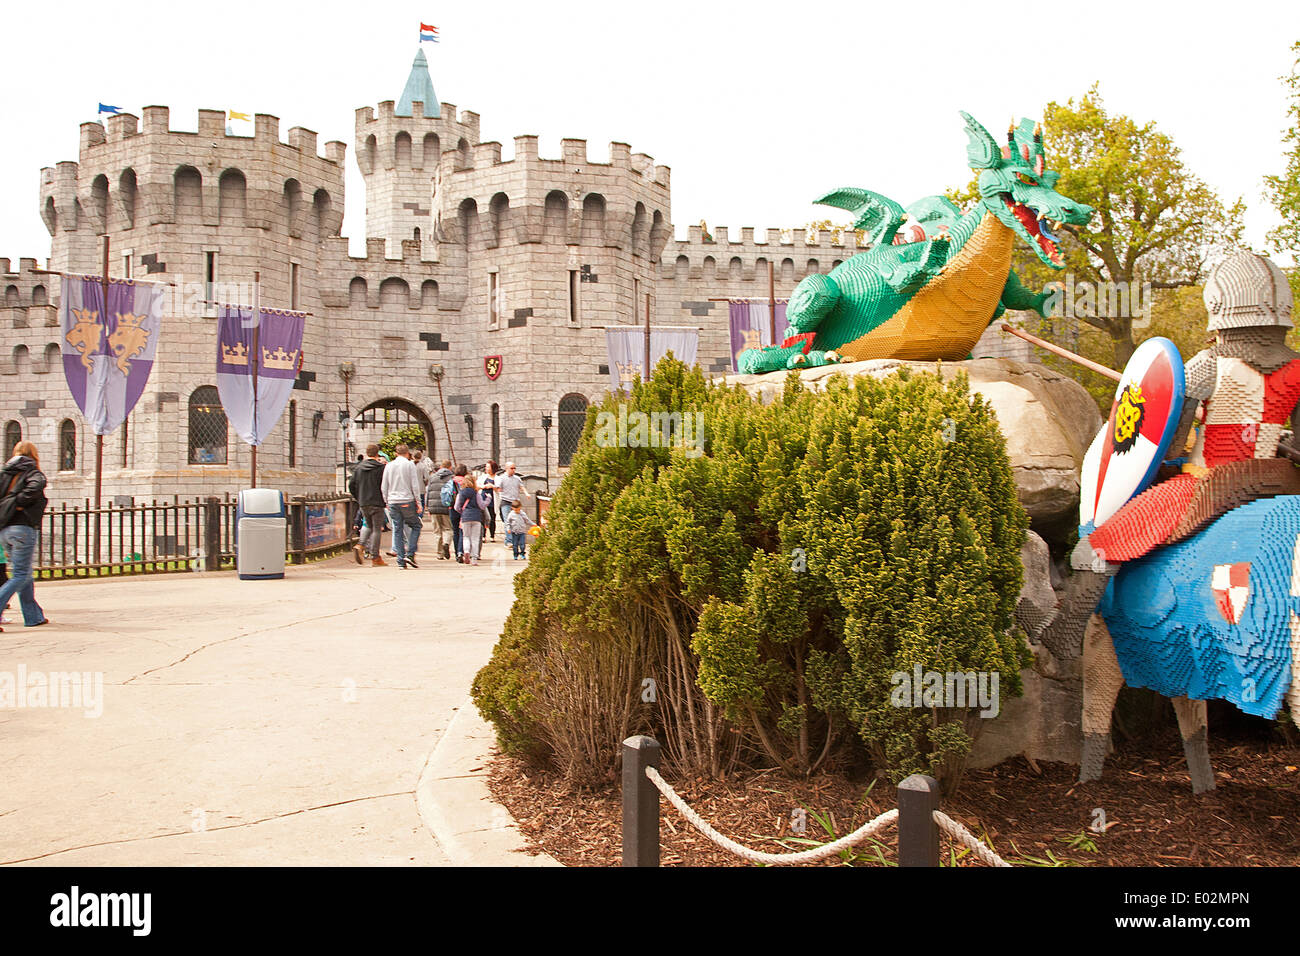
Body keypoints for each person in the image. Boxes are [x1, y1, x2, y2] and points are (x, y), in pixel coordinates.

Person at [0, 441, 49, 630]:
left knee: (25, 573)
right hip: (23, 528)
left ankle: (33, 616)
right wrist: (18, 502)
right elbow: (37, 485)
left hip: (5, 530)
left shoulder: (5, 473)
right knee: (20, 574)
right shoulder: (33, 472)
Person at [381, 443, 424, 568]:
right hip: (406, 500)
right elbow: (414, 485)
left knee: (397, 529)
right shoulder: (409, 464)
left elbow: (384, 486)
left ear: (395, 453)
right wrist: (418, 502)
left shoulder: (389, 466)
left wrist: (386, 502)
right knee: (416, 525)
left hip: (393, 501)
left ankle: (400, 560)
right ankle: (410, 553)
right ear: (407, 453)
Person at [349, 444, 387, 566]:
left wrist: (358, 497)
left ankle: (360, 544)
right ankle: (375, 557)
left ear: (367, 453)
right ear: (377, 454)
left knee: (367, 524)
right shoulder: (381, 468)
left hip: (363, 502)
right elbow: (385, 484)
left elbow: (351, 485)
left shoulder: (359, 468)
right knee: (376, 529)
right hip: (377, 501)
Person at [454, 469, 492, 566]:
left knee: (466, 537)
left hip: (465, 517)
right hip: (476, 517)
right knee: (475, 538)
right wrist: (488, 498)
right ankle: (474, 558)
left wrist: (462, 511)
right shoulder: (476, 494)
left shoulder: (461, 494)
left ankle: (466, 551)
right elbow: (482, 506)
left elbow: (456, 507)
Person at [425, 459, 456, 560]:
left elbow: (428, 491)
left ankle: (439, 553)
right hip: (446, 506)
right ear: (450, 467)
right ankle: (446, 543)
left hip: (433, 507)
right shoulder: (451, 478)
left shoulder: (433, 477)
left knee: (437, 531)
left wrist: (427, 506)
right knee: (448, 528)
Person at [495, 461, 531, 532]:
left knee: (516, 520)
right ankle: (509, 540)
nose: (513, 470)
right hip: (505, 501)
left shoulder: (517, 478)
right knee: (507, 520)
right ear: (506, 468)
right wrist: (497, 489)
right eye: (512, 468)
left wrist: (526, 493)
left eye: (514, 468)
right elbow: (497, 488)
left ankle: (514, 537)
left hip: (515, 502)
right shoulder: (501, 478)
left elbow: (521, 486)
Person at [477, 461, 500, 540]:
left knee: (492, 518)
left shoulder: (497, 478)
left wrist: (492, 486)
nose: (486, 469)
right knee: (483, 518)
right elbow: (477, 485)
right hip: (483, 498)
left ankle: (492, 535)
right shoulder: (483, 477)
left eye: (488, 467)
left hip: (492, 500)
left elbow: (499, 489)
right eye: (486, 467)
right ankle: (483, 535)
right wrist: (483, 486)